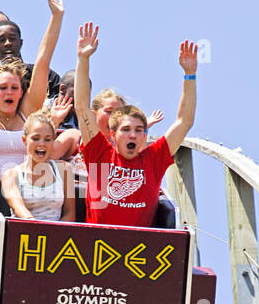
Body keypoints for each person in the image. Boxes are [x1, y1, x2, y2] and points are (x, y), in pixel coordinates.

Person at [74, 22, 198, 227]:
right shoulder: (100, 153)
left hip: (136, 249)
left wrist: (189, 75)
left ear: (144, 135)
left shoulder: (154, 158)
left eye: (139, 130)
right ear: (113, 135)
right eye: (126, 130)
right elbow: (81, 106)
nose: (132, 135)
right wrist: (83, 58)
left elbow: (185, 121)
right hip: (96, 247)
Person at [0, 0, 64, 180]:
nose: (9, 92)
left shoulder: (28, 113)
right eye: (3, 88)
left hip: (25, 198)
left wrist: (56, 17)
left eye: (14, 87)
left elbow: (43, 61)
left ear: (22, 92)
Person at [1, 114, 75, 221]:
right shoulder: (10, 175)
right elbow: (19, 209)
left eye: (47, 139)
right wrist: (37, 230)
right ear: (24, 140)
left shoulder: (64, 170)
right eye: (35, 139)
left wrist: (55, 235)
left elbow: (70, 213)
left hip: (57, 233)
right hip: (24, 233)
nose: (41, 144)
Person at [0, 19, 61, 99]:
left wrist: (57, 15)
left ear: (20, 43)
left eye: (12, 39)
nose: (7, 43)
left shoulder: (45, 74)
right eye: (2, 40)